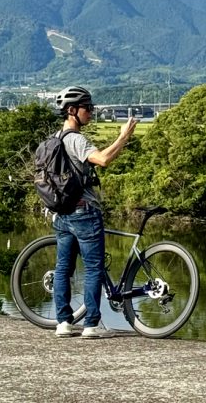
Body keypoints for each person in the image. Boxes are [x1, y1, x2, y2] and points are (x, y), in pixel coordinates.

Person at [51, 85, 137, 338]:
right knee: (92, 268)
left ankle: (63, 323)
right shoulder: (76, 139)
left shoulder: (56, 138)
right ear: (71, 110)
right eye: (87, 108)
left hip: (62, 213)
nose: (91, 112)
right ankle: (92, 325)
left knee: (63, 268)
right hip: (84, 212)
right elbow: (103, 160)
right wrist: (124, 136)